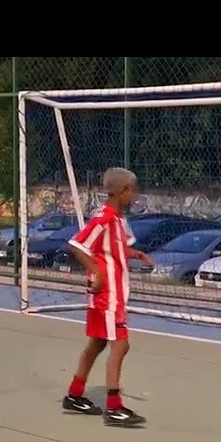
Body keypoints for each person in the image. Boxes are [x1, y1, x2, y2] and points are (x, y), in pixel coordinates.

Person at [60, 168, 155, 427]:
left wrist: (135, 254)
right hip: (108, 296)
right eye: (133, 190)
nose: (135, 195)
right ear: (122, 191)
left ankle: (74, 394)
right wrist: (96, 272)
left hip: (112, 294)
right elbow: (77, 244)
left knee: (97, 344)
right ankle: (114, 407)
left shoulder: (115, 219)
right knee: (120, 345)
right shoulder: (103, 219)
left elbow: (112, 247)